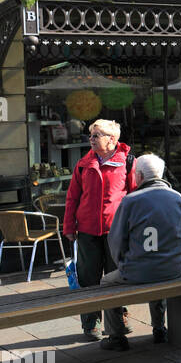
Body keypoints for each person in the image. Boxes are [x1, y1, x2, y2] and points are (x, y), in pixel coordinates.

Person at [99, 154, 181, 350]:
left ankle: (117, 336)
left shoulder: (130, 201)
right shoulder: (178, 198)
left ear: (138, 176)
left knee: (106, 282)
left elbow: (115, 240)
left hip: (138, 270)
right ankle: (159, 328)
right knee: (158, 270)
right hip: (173, 268)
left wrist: (123, 263)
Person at [62, 119, 134, 342]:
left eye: (96, 135)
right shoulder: (83, 164)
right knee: (88, 278)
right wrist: (68, 225)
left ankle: (118, 321)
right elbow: (72, 197)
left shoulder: (128, 162)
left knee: (115, 278)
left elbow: (134, 196)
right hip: (87, 230)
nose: (91, 139)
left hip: (116, 231)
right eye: (91, 135)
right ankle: (91, 324)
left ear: (112, 139)